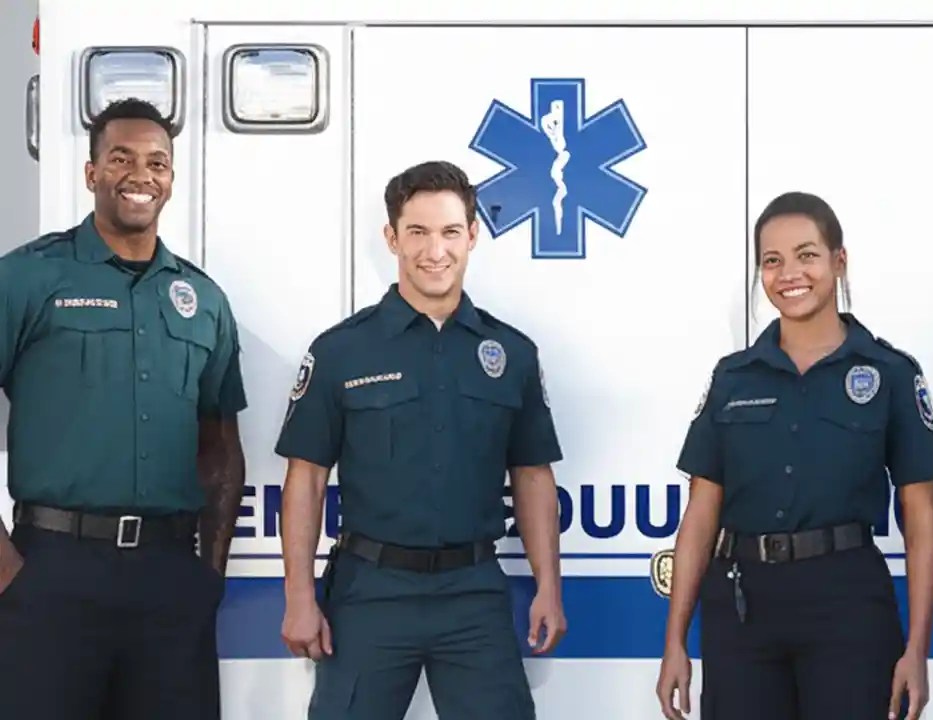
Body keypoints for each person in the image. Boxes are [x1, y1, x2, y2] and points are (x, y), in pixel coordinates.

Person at [276, 160, 567, 720]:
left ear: (473, 236)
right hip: (371, 593)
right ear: (392, 238)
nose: (436, 250)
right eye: (418, 232)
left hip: (474, 594)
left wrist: (548, 587)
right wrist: (299, 597)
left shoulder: (512, 355)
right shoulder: (342, 352)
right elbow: (306, 480)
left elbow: (532, 477)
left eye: (451, 232)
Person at [0, 97, 247, 718]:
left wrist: (206, 576)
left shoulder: (205, 301)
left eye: (158, 162)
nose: (142, 175)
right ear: (91, 174)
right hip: (50, 571)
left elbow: (219, 447)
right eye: (122, 158)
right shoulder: (27, 279)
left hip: (169, 578)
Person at [656, 191, 933, 720]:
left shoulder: (890, 374)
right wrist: (675, 640)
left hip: (848, 602)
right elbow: (700, 515)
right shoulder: (732, 377)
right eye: (772, 260)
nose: (790, 272)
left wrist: (917, 650)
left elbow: (922, 517)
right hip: (743, 608)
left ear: (839, 260)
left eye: (807, 254)